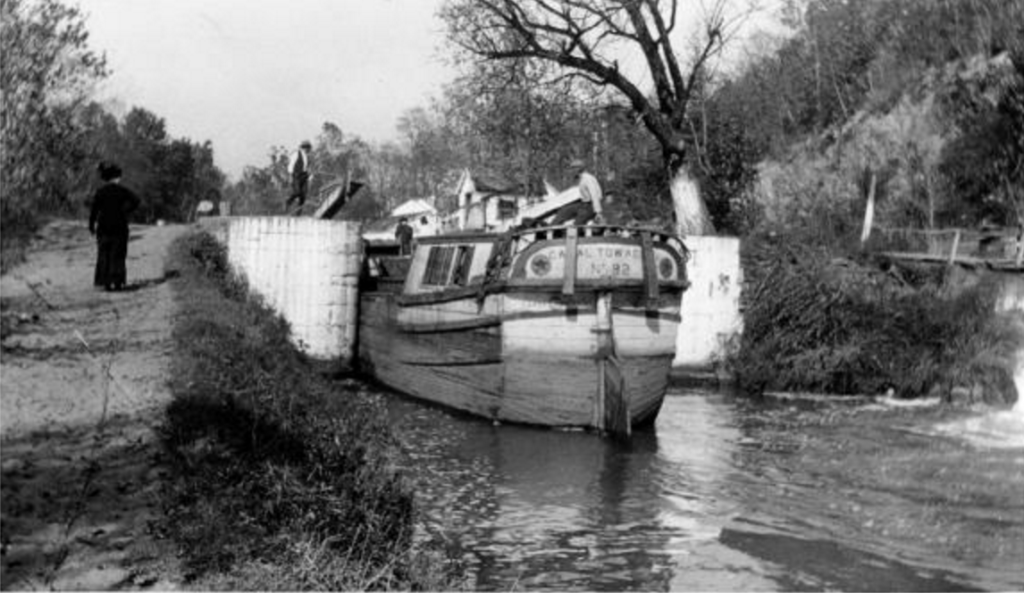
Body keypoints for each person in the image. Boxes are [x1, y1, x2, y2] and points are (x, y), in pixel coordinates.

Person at [88, 161, 140, 291]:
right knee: (118, 254)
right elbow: (136, 201)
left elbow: (94, 210)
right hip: (120, 226)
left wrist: (91, 225)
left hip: (104, 226)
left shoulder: (100, 192)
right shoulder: (122, 191)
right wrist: (126, 211)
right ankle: (117, 282)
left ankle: (105, 283)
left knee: (104, 253)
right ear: (116, 177)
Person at [550, 159, 605, 226]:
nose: (571, 171)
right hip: (583, 204)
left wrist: (598, 212)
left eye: (573, 169)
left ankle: (576, 232)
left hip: (590, 207)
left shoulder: (588, 179)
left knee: (577, 224)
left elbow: (594, 195)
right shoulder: (581, 179)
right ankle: (551, 228)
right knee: (564, 211)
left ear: (578, 169)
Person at [285, 140, 312, 214]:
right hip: (296, 175)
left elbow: (306, 167)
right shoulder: (297, 153)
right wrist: (290, 176)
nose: (309, 150)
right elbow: (291, 165)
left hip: (304, 175)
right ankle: (288, 201)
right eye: (308, 148)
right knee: (297, 192)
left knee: (303, 195)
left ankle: (299, 212)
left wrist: (309, 177)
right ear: (305, 148)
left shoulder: (307, 156)